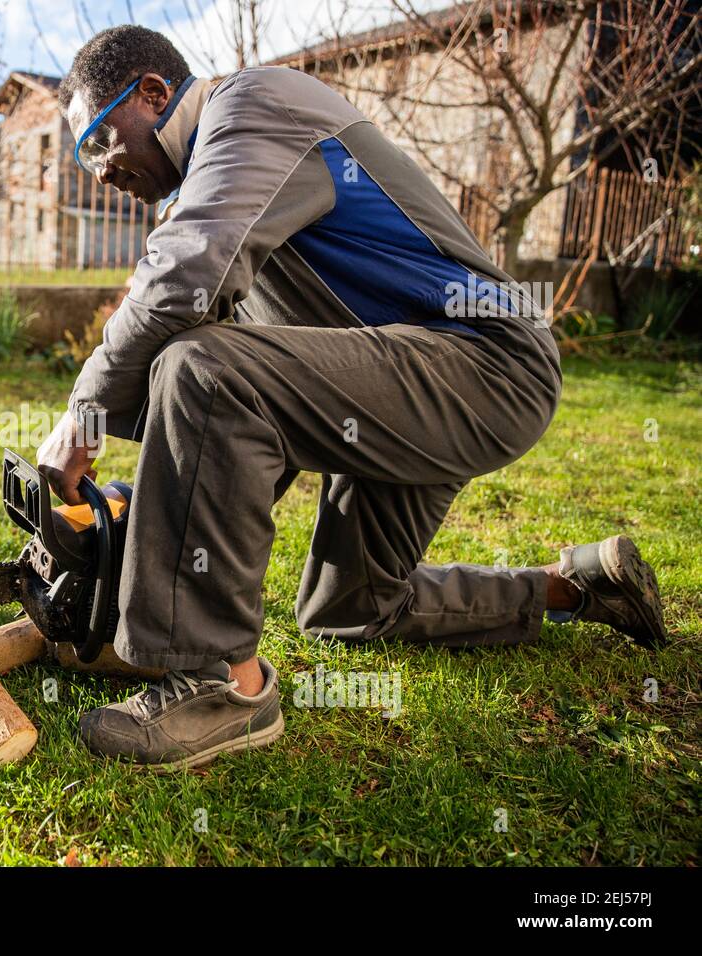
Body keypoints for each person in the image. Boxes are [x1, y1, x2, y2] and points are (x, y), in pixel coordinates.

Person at [35, 25, 669, 771]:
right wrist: (145, 528)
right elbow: (230, 436)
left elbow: (186, 295)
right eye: (88, 154)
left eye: (101, 139)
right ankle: (579, 587)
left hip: (487, 366)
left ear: (153, 92)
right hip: (402, 385)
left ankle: (222, 689)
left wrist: (85, 415)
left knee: (201, 366)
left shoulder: (252, 104)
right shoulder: (225, 191)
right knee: (351, 610)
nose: (100, 169)